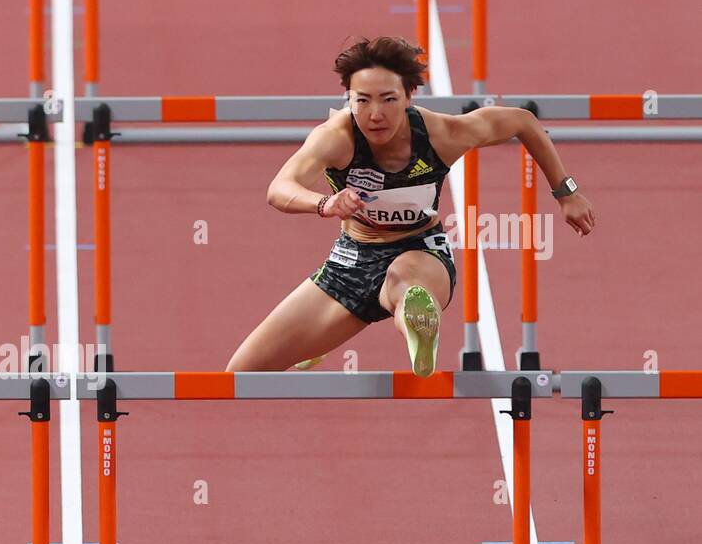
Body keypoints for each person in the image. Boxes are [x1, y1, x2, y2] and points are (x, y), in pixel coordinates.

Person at [227, 36, 596, 377]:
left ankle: (419, 327)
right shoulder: (335, 138)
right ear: (349, 99)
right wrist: (325, 202)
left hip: (420, 252)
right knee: (240, 375)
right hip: (352, 259)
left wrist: (567, 193)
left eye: (388, 99)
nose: (375, 114)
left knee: (404, 281)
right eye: (362, 100)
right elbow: (280, 189)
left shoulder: (441, 135)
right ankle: (320, 340)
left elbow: (523, 122)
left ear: (409, 95)